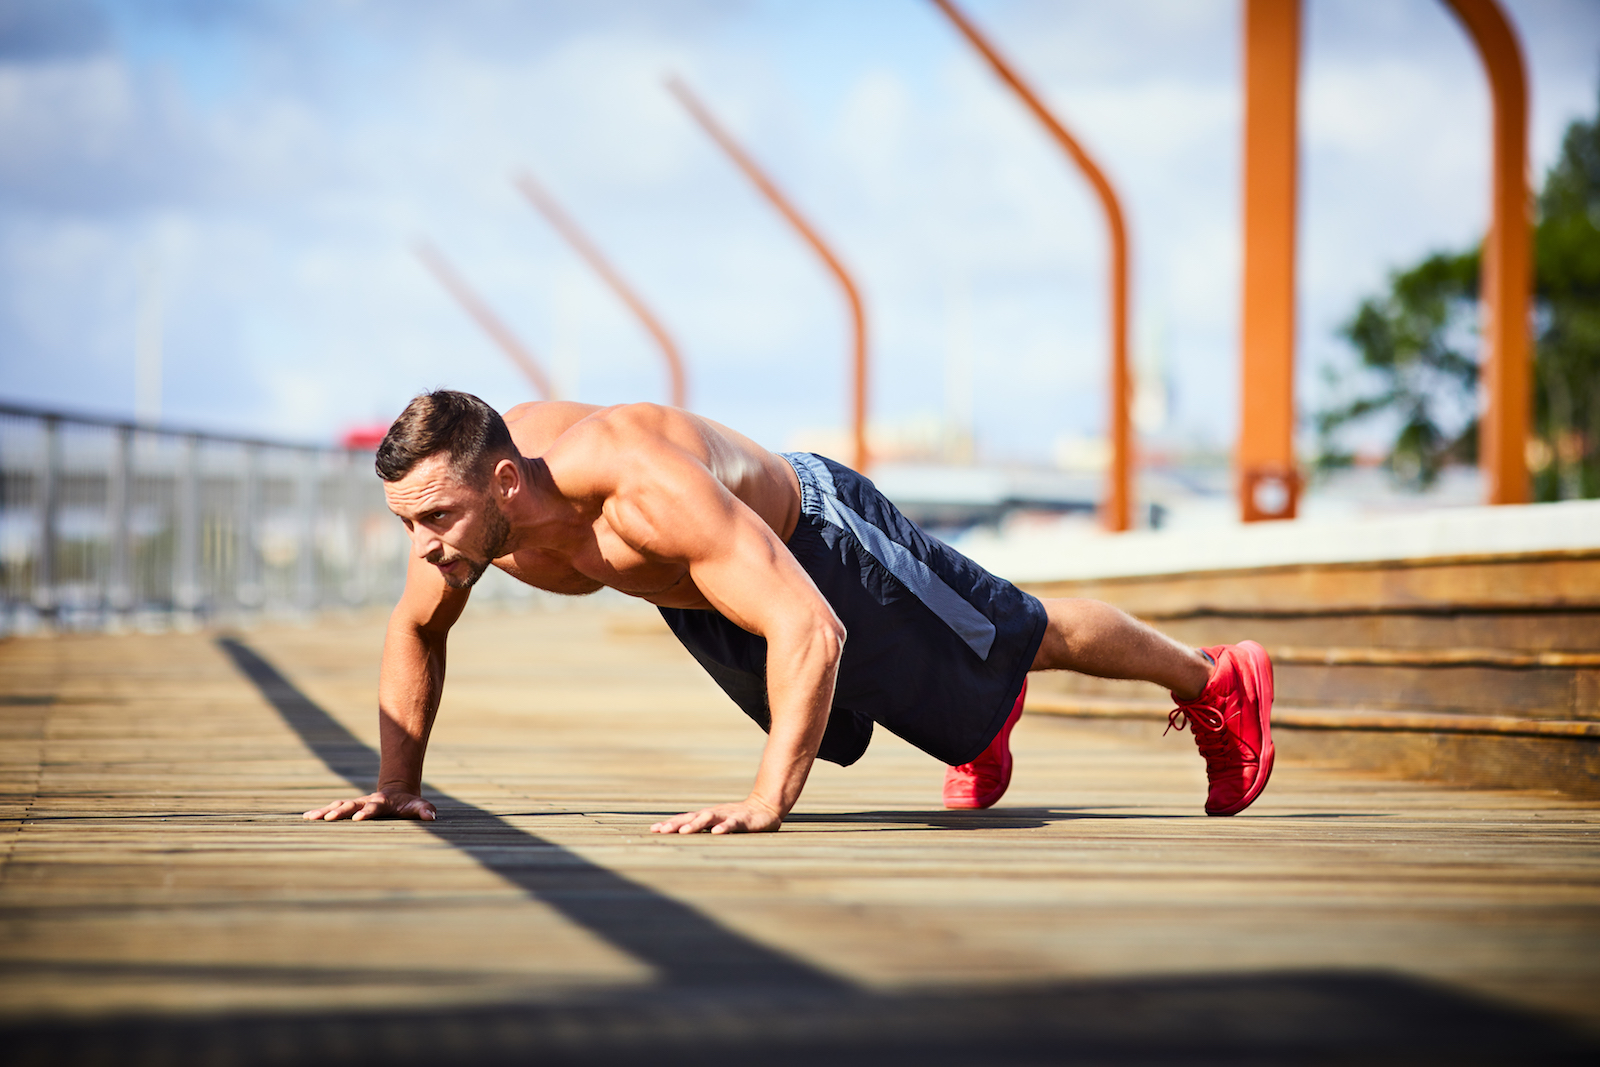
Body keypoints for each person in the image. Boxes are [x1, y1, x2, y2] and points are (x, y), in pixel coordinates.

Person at [304, 391, 1274, 834]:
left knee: (1022, 637)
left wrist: (765, 802)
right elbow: (415, 629)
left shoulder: (639, 484)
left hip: (819, 532)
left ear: (506, 484)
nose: (422, 544)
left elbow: (810, 625)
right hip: (704, 594)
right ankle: (973, 723)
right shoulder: (467, 520)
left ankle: (1212, 678)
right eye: (408, 522)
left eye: (435, 518)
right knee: (850, 720)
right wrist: (395, 784)